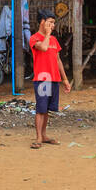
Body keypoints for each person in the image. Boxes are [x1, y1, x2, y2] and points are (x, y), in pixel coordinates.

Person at [29, 10, 71, 149]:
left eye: (54, 23)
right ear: (42, 22)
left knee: (47, 109)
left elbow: (58, 60)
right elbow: (44, 47)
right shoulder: (34, 38)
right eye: (50, 22)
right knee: (41, 109)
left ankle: (44, 135)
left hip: (54, 79)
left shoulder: (54, 40)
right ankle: (38, 137)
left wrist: (65, 80)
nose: (53, 25)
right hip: (42, 78)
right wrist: (47, 34)